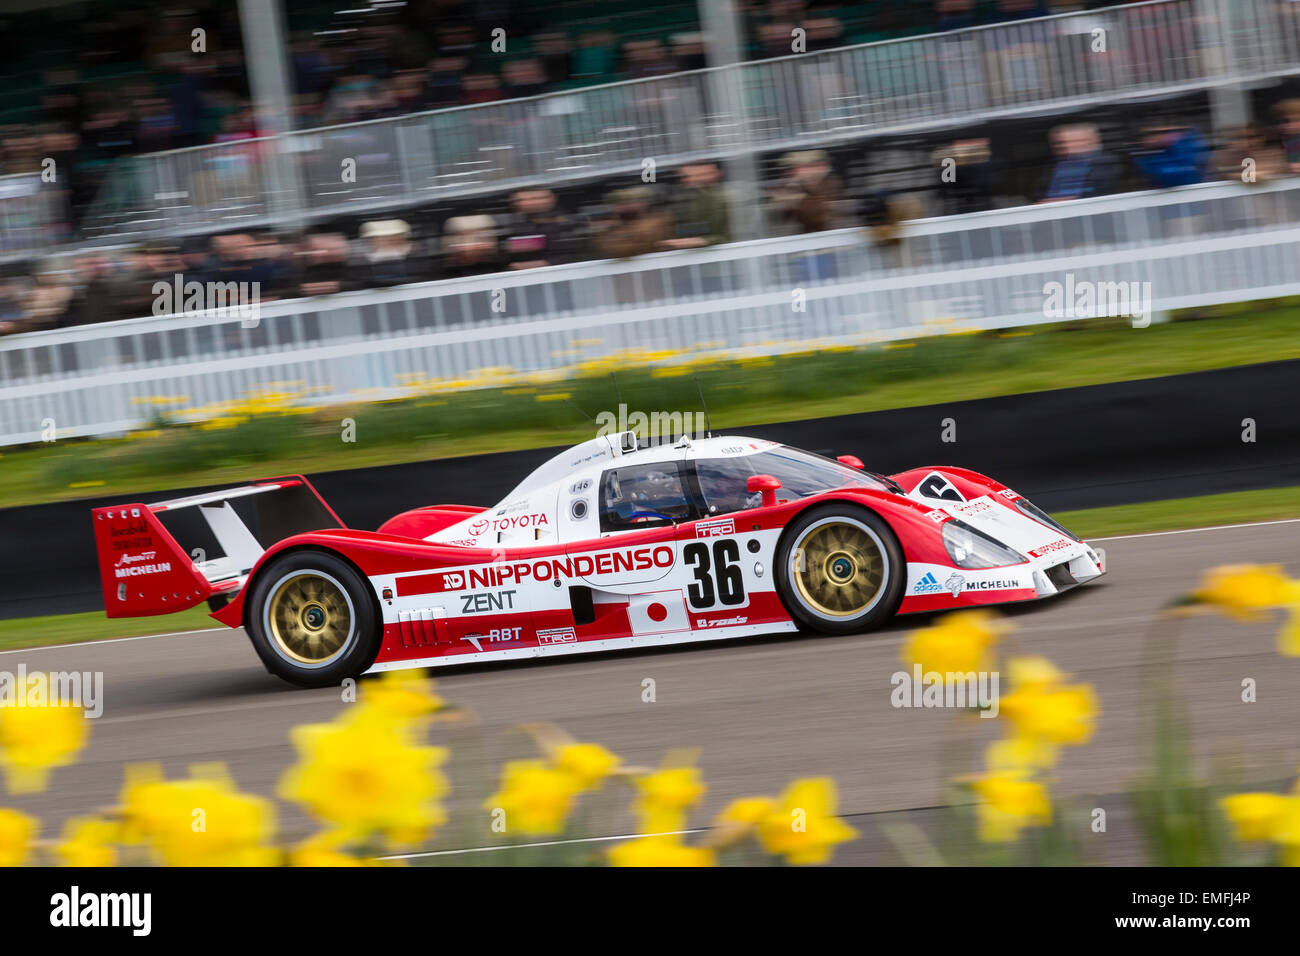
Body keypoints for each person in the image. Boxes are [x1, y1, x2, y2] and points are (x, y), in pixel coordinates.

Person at [1040, 123, 1123, 202]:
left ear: (1094, 141)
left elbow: (1092, 192)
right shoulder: (1058, 164)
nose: (1069, 146)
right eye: (1062, 142)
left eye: (1078, 141)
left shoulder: (1104, 162)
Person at [664, 163, 731, 249]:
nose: (690, 179)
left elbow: (736, 236)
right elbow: (694, 228)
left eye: (701, 174)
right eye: (685, 176)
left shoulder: (728, 197)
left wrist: (704, 240)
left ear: (718, 173)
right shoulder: (690, 199)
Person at [1132, 120, 1209, 189]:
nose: (1149, 140)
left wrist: (1171, 142)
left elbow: (1173, 176)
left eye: (1153, 134)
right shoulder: (1150, 155)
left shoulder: (1187, 144)